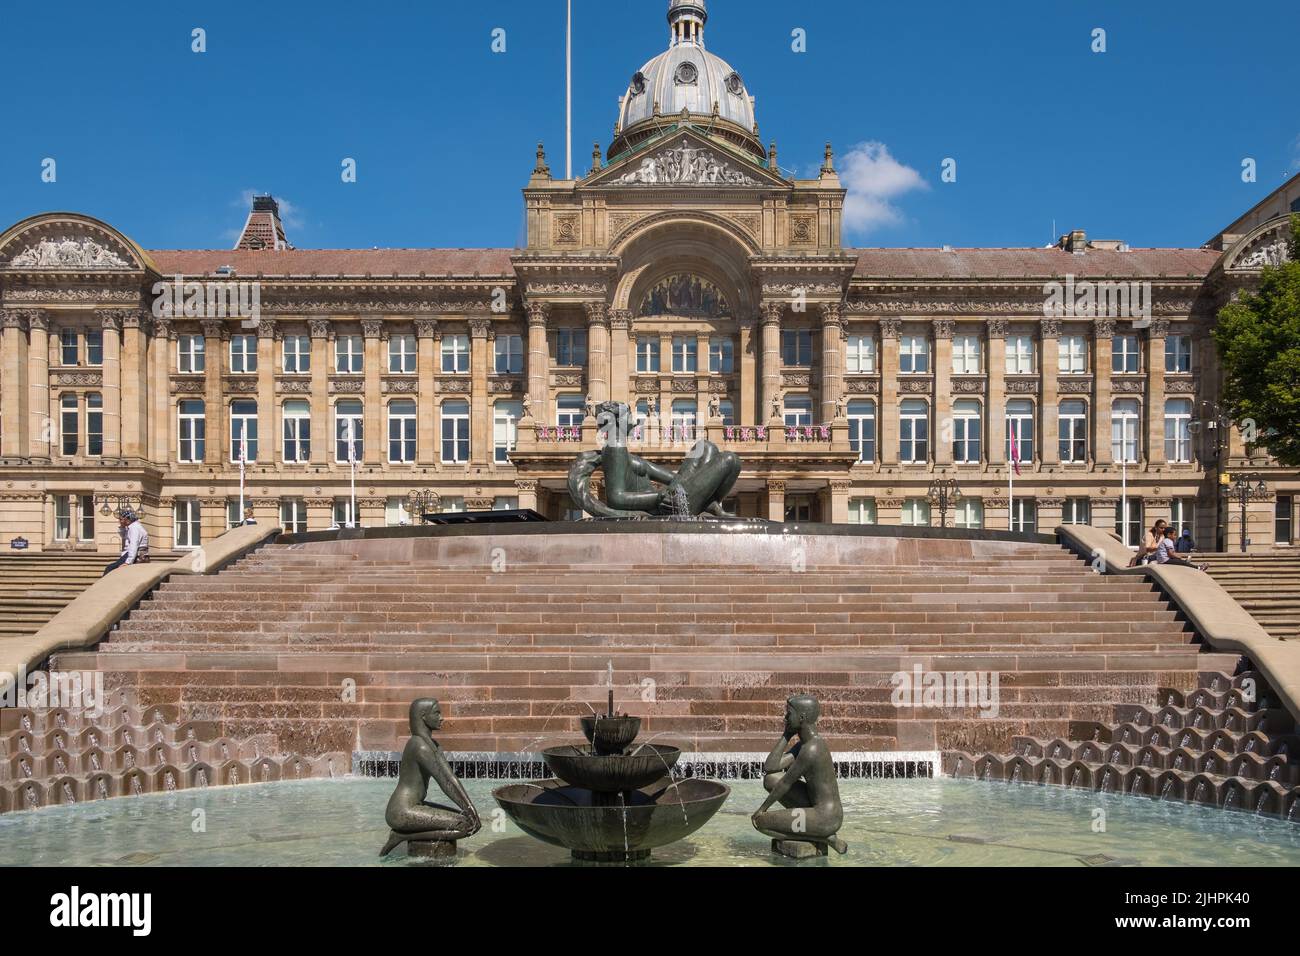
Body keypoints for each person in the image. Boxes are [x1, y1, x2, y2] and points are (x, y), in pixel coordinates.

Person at [751, 693, 847, 855]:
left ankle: (824, 838)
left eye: (789, 713)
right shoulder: (805, 744)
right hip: (816, 806)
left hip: (825, 817)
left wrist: (761, 809)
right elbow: (771, 767)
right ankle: (819, 834)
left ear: (801, 717)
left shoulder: (811, 750)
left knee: (760, 822)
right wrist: (786, 735)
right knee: (770, 780)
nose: (785, 717)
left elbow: (785, 783)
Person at [102, 510, 150, 576]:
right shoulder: (132, 527)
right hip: (131, 554)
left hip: (136, 555)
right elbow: (124, 536)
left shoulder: (135, 528)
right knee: (111, 568)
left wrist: (128, 562)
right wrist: (122, 526)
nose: (119, 521)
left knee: (110, 568)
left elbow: (134, 545)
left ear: (127, 519)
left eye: (121, 519)